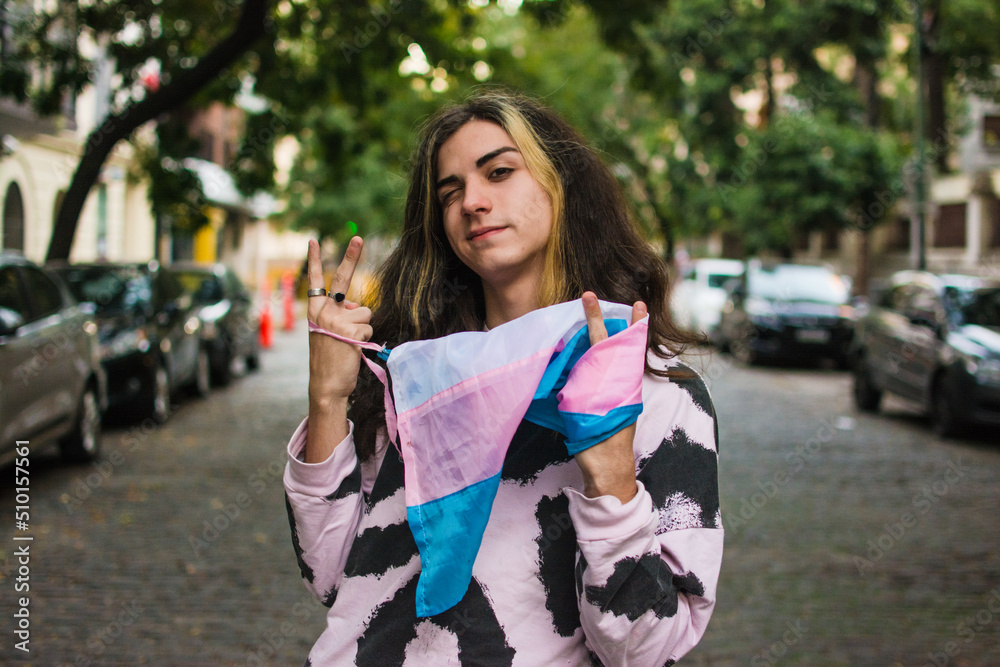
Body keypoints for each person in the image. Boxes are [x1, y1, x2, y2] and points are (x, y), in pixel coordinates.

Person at [283, 90, 723, 666]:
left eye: (499, 172)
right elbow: (329, 574)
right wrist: (327, 396)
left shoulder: (660, 393)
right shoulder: (417, 375)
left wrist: (611, 473)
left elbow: (646, 651)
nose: (472, 201)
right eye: (451, 191)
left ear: (560, 184)